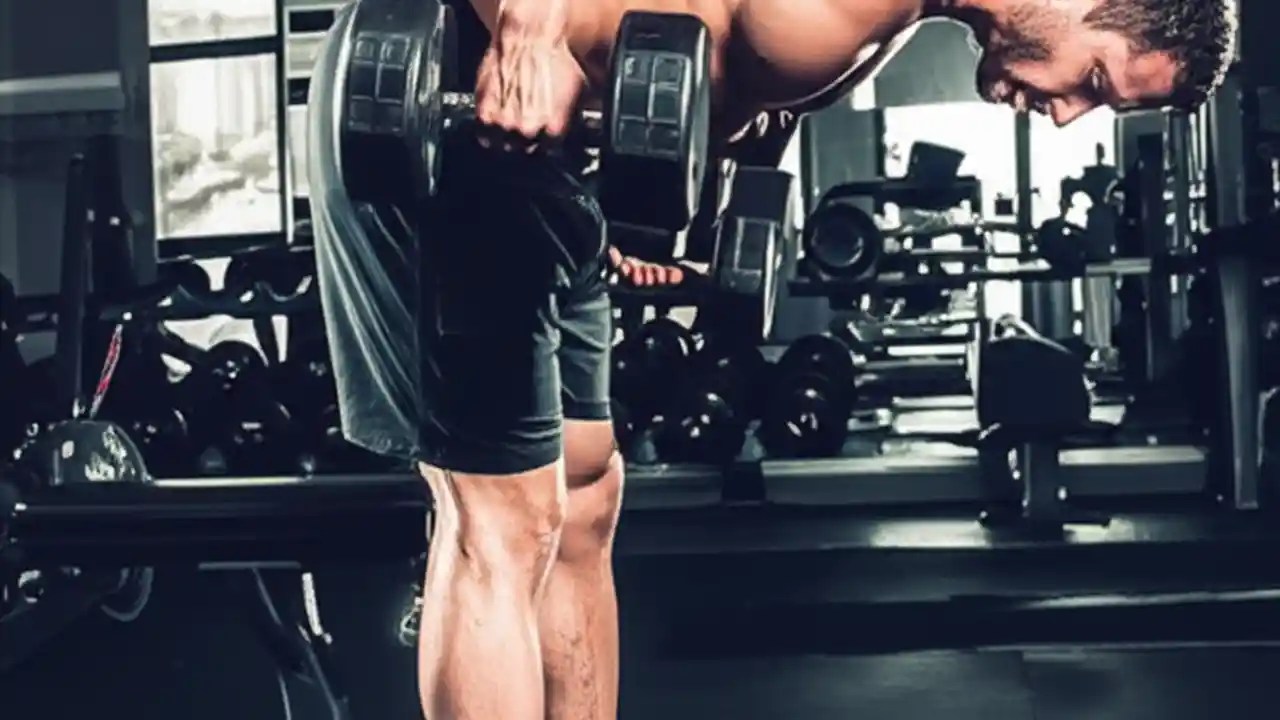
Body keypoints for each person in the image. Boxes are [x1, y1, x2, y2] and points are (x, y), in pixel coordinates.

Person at [329, 1, 1236, 719]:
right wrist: (529, 29)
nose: (1071, 114)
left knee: (586, 497)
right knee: (503, 520)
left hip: (567, 168)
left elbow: (760, 83)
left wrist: (693, 198)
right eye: (1097, 82)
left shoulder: (908, 12)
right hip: (472, 92)